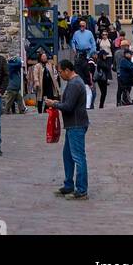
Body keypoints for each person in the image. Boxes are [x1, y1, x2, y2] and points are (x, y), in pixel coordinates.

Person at [47, 59, 89, 200]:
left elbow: (68, 106)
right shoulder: (75, 83)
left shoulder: (74, 84)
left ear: (67, 70)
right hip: (73, 125)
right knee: (68, 156)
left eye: (60, 72)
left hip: (76, 125)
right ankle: (69, 184)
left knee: (78, 157)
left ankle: (81, 189)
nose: (60, 75)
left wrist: (55, 103)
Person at [30, 49, 60, 114]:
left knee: (50, 97)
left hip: (49, 84)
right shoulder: (37, 66)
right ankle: (40, 111)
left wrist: (55, 78)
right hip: (41, 84)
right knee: (40, 98)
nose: (44, 58)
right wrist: (36, 81)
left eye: (45, 56)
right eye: (43, 57)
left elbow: (54, 73)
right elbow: (35, 74)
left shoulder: (50, 65)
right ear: (40, 58)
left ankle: (46, 110)